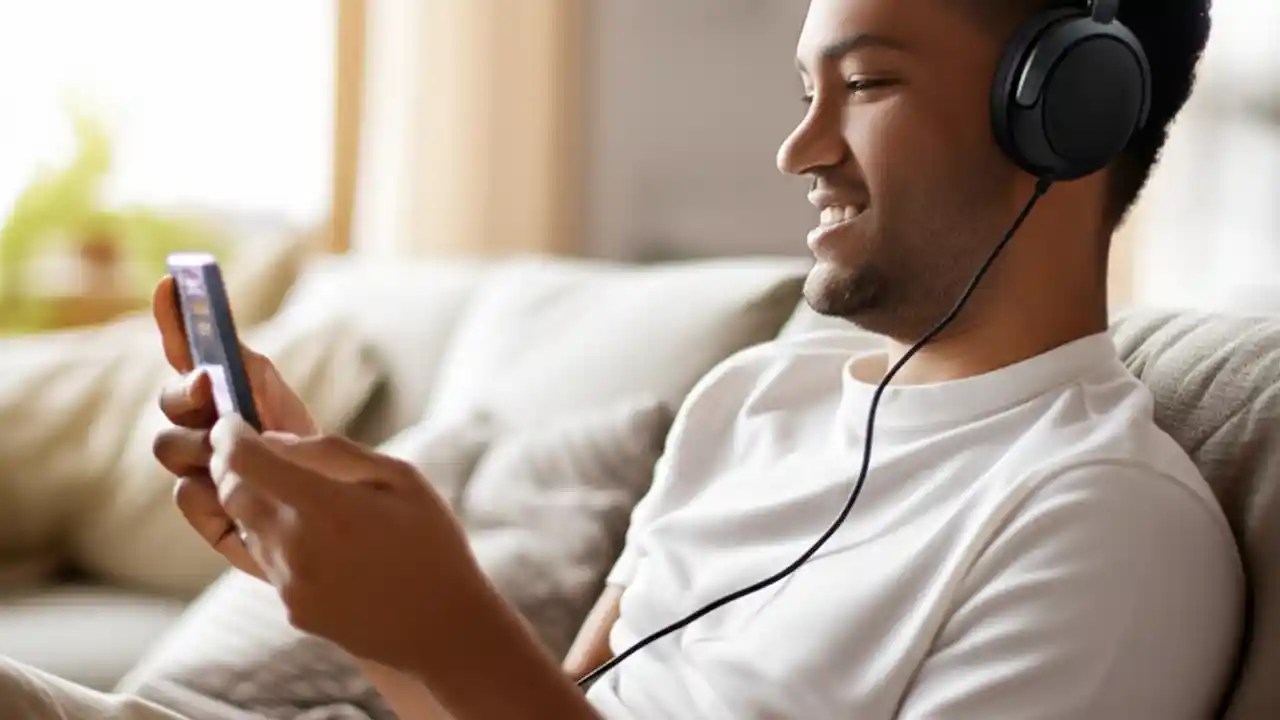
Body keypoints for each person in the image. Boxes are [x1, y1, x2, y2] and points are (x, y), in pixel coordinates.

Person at [0, 0, 1242, 717]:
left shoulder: (1099, 526)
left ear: (1065, 110)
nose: (797, 148)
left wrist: (447, 629)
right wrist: (336, 585)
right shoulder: (749, 396)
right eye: (803, 88)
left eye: (863, 83)